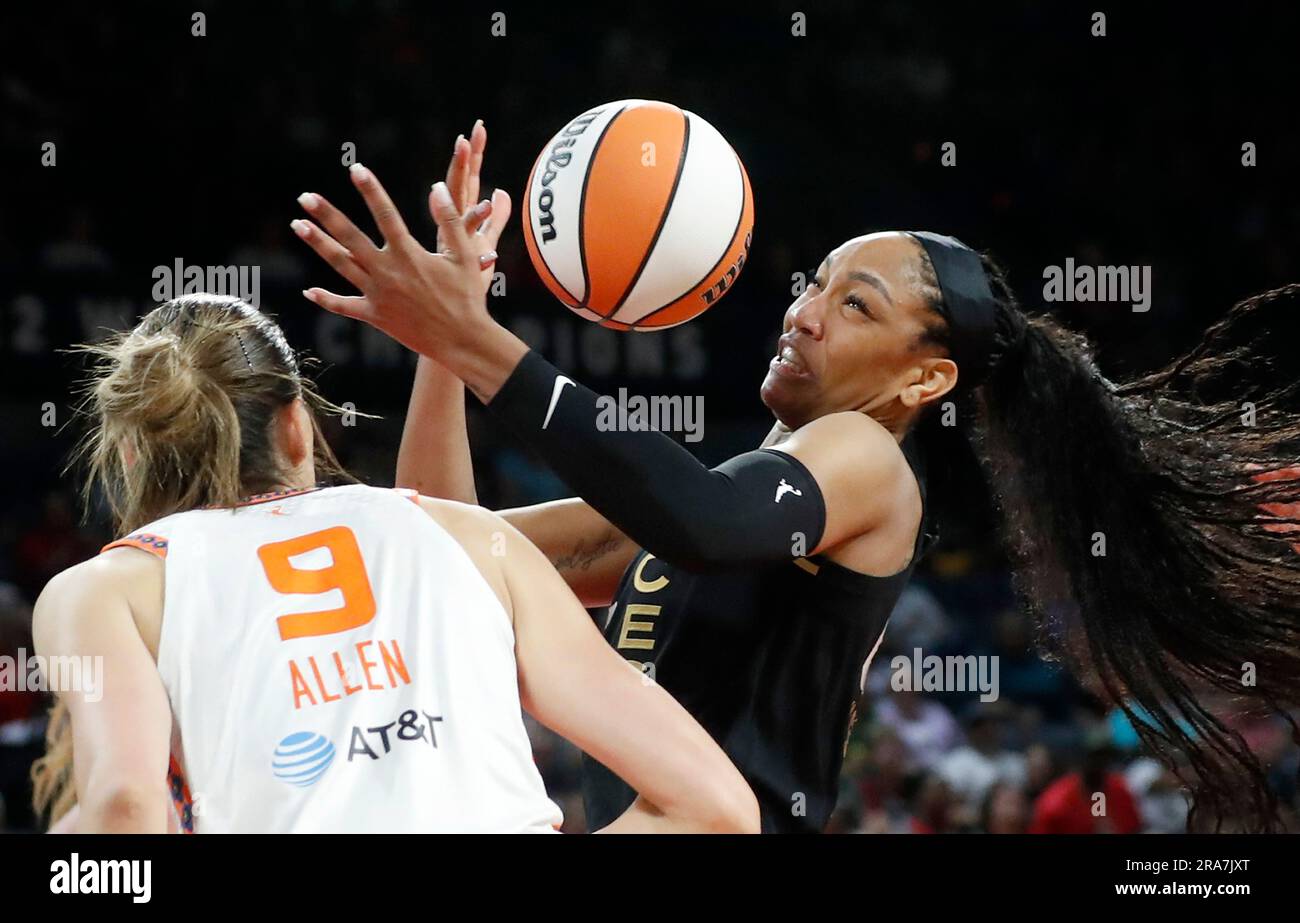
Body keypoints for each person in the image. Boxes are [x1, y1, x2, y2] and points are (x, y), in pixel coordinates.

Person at [294, 122, 1300, 832]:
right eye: (813, 283)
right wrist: (443, 339)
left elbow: (704, 517)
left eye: (855, 305)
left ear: (924, 376)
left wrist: (484, 346)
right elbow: (446, 545)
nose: (805, 311)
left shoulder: (866, 464)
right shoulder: (722, 495)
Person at [29, 294, 758, 834]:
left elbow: (124, 811)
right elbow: (718, 807)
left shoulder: (102, 589)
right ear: (296, 427)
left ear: (128, 456)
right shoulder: (471, 536)